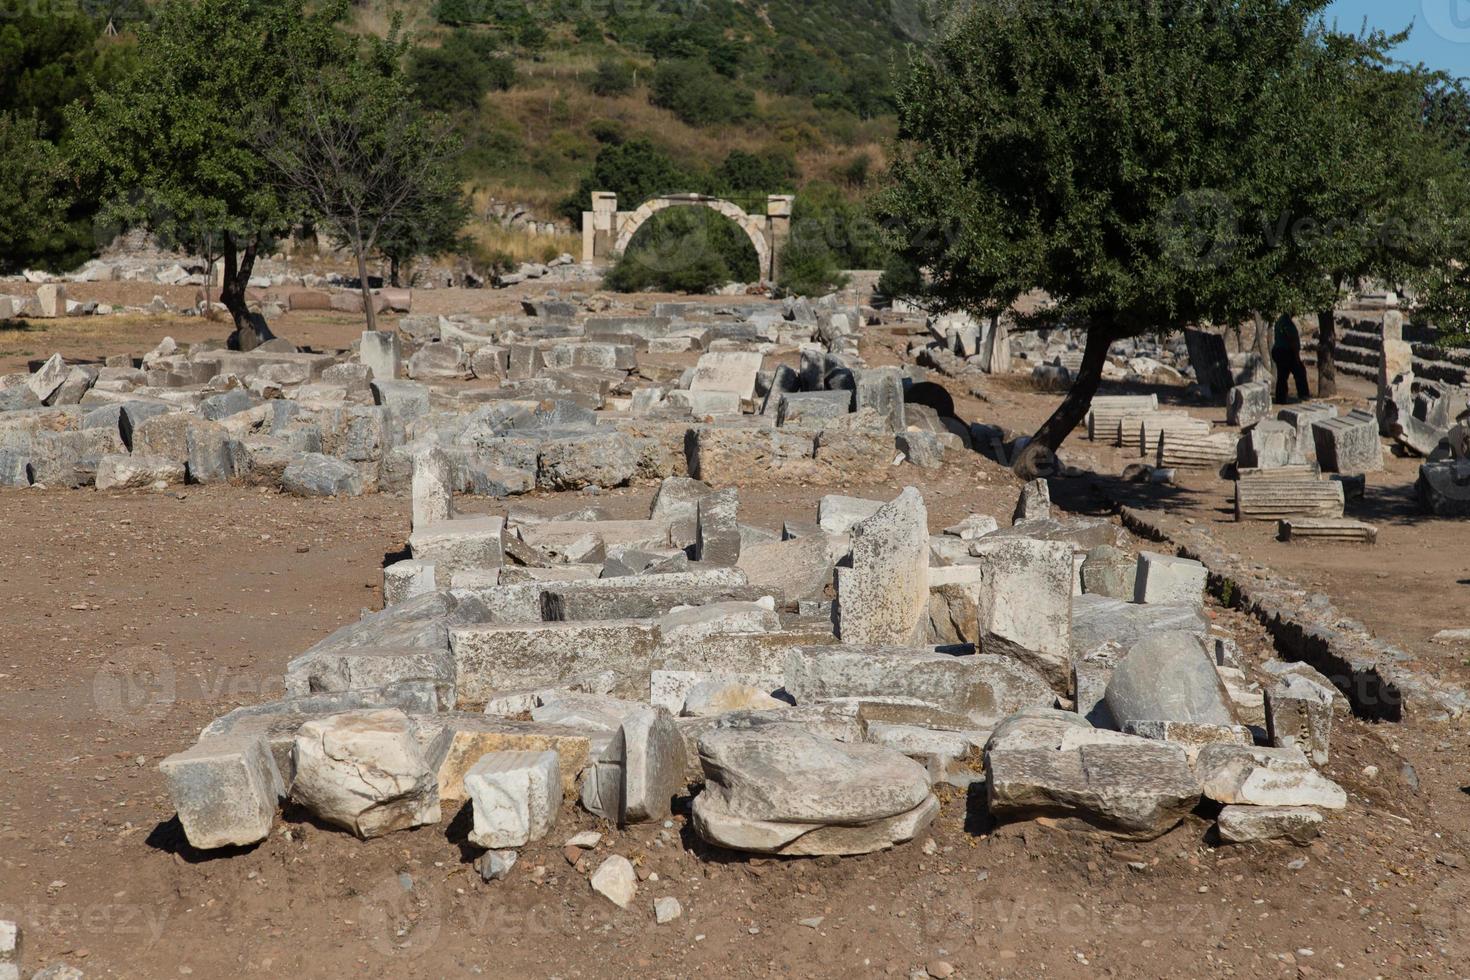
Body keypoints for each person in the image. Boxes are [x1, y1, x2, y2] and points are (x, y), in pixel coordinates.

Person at [1271, 313, 1309, 403]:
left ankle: (1281, 398)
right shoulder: (1286, 323)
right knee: (1299, 373)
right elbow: (1292, 339)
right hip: (1286, 352)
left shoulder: (1280, 321)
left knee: (1282, 376)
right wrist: (1296, 356)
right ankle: (1303, 395)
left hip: (1279, 351)